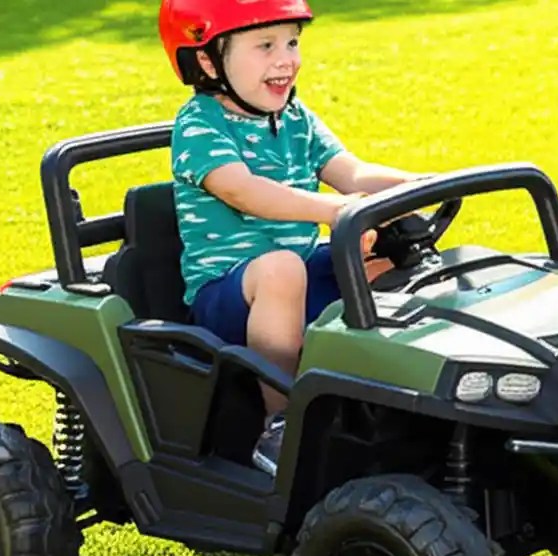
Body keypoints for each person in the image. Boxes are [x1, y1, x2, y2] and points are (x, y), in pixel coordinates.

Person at [159, 0, 426, 474]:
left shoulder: (296, 117)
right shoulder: (200, 124)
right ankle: (280, 424)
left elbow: (353, 172)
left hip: (300, 272)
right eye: (265, 45)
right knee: (281, 267)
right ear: (206, 60)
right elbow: (243, 191)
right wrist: (332, 209)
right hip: (228, 296)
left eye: (292, 42)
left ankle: (391, 397)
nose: (286, 58)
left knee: (390, 258)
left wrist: (417, 185)